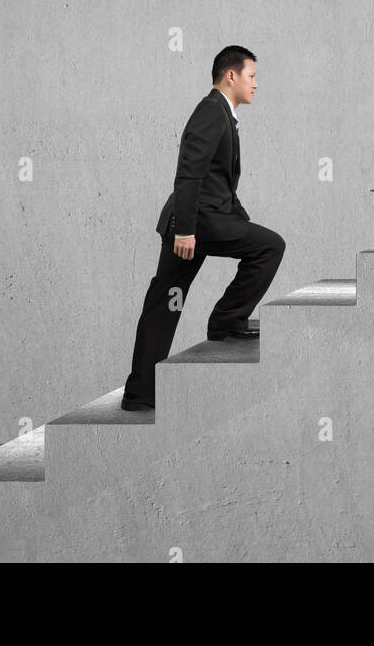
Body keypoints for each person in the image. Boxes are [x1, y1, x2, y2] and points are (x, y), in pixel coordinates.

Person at [121, 45, 286, 411]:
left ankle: (140, 393)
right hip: (196, 224)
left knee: (165, 301)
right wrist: (184, 231)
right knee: (270, 247)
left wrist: (238, 218)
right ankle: (227, 321)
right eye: (252, 75)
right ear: (231, 76)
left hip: (200, 221)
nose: (257, 84)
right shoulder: (212, 112)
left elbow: (220, 183)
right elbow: (189, 174)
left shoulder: (221, 114)